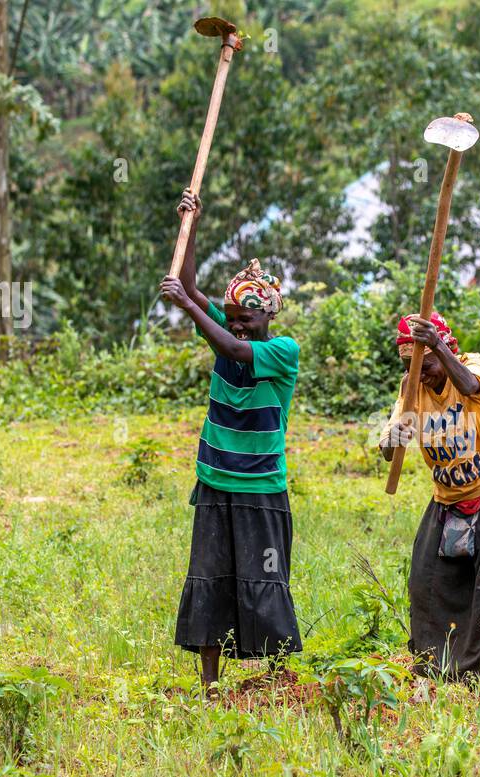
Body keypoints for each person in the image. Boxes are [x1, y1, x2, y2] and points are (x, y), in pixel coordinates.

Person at [159, 189, 301, 693]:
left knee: (265, 580)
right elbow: (192, 287)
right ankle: (210, 682)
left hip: (262, 487)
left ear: (268, 318)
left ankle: (280, 678)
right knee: (211, 578)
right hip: (216, 481)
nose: (238, 323)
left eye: (248, 318)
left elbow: (233, 347)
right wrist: (190, 224)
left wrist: (192, 310)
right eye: (233, 316)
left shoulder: (282, 352)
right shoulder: (223, 327)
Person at [380, 312, 480, 687]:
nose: (422, 371)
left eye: (425, 362)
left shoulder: (470, 365)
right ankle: (440, 668)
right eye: (410, 363)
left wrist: (436, 347)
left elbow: (470, 387)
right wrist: (395, 436)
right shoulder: (411, 387)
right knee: (428, 582)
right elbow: (387, 449)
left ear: (444, 348)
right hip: (448, 497)